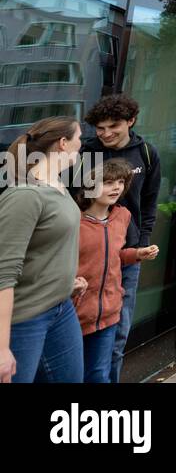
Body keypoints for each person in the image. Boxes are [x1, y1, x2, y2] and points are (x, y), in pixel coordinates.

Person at [0, 117, 85, 383]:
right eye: (79, 138)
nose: (82, 145)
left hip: (60, 307)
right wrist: (2, 348)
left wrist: (62, 280)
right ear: (62, 143)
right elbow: (3, 271)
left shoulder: (57, 186)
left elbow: (48, 244)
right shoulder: (26, 195)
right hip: (24, 318)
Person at [82, 93, 160, 383]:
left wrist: (142, 241)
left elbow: (150, 202)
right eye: (100, 128)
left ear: (131, 121)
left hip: (126, 256)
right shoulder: (86, 153)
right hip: (87, 255)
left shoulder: (147, 153)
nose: (105, 134)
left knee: (117, 337)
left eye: (113, 126)